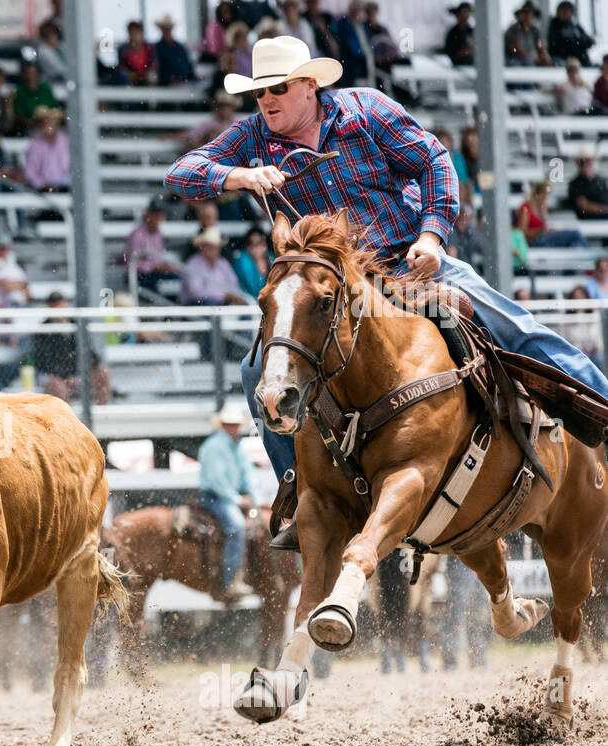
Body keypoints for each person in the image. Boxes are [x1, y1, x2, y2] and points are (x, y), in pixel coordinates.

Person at [166, 35, 608, 551]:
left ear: (309, 85)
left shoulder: (365, 110)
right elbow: (181, 174)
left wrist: (432, 236)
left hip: (411, 264)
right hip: (334, 292)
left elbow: (434, 162)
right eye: (260, 91)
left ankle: (599, 401)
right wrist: (237, 174)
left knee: (511, 324)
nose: (267, 99)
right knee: (254, 372)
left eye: (279, 87)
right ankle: (298, 490)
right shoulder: (251, 139)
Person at [197, 407, 256, 603]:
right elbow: (216, 481)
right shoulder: (214, 446)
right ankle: (231, 582)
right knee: (236, 526)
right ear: (223, 425)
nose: (233, 427)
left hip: (229, 496)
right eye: (230, 424)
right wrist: (240, 500)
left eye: (235, 424)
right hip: (214, 497)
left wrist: (254, 498)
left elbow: (247, 474)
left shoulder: (236, 446)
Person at [179, 227, 249, 306]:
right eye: (209, 245)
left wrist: (234, 297)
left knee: (244, 306)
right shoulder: (192, 264)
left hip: (219, 303)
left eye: (215, 246)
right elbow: (196, 293)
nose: (213, 249)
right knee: (211, 303)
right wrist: (224, 296)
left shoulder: (223, 263)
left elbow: (234, 285)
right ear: (202, 246)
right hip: (196, 305)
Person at [124, 203, 179, 291]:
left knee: (178, 278)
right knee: (172, 280)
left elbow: (158, 256)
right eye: (155, 216)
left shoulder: (159, 233)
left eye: (159, 217)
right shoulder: (137, 235)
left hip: (154, 273)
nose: (157, 220)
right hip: (139, 276)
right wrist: (154, 267)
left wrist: (163, 266)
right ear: (148, 215)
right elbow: (132, 262)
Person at [518, 180, 589, 248]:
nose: (545, 197)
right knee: (575, 234)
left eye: (546, 194)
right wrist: (540, 231)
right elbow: (521, 232)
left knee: (575, 243)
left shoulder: (541, 207)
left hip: (541, 238)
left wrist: (546, 231)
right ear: (537, 193)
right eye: (543, 193)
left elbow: (543, 228)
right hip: (533, 242)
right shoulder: (526, 207)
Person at [23, 107, 69, 192]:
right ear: (41, 125)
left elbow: (69, 167)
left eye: (52, 121)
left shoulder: (64, 141)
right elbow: (31, 172)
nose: (49, 125)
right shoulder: (35, 145)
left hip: (64, 186)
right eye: (46, 122)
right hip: (44, 189)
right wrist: (42, 186)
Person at [11, 61, 60, 133]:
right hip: (29, 129)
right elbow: (19, 117)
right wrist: (37, 123)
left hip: (50, 127)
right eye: (28, 73)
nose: (31, 77)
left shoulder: (45, 89)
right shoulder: (19, 91)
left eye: (34, 73)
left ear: (38, 74)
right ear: (23, 75)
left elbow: (56, 109)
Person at [231, 226, 274, 298]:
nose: (256, 248)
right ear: (247, 247)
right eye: (252, 244)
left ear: (266, 245)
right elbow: (240, 289)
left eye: (260, 243)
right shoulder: (241, 261)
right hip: (248, 305)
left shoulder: (272, 259)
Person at [547, 1, 593, 67]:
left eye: (567, 11)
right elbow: (559, 44)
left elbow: (589, 41)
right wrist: (576, 43)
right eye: (563, 11)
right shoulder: (554, 25)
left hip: (579, 58)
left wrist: (576, 42)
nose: (565, 13)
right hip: (561, 58)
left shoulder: (575, 25)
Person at [505, 1, 550, 66]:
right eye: (525, 13)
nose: (528, 16)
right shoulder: (513, 30)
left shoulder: (535, 31)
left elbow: (541, 46)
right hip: (516, 59)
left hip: (532, 59)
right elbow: (515, 50)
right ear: (519, 15)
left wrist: (544, 56)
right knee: (527, 64)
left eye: (530, 14)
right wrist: (533, 59)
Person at [154, 15, 196, 85]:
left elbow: (188, 66)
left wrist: (192, 77)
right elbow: (158, 70)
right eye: (165, 28)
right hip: (167, 86)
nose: (168, 31)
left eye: (169, 28)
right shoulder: (157, 48)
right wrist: (169, 80)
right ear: (162, 29)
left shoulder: (180, 47)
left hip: (185, 83)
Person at [569, 153, 608, 220]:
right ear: (579, 165)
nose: (585, 166)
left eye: (588, 163)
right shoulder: (575, 183)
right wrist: (605, 209)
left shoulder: (600, 180)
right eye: (583, 164)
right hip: (590, 216)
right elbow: (583, 206)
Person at [118, 21, 155, 86]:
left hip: (147, 81)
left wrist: (148, 74)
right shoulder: (123, 50)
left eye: (136, 33)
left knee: (152, 77)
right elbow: (122, 68)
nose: (134, 36)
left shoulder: (150, 49)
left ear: (142, 34)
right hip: (130, 82)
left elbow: (154, 66)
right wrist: (131, 75)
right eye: (131, 33)